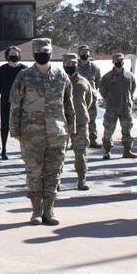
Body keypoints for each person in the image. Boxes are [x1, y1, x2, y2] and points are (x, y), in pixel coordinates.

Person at [9, 38, 73, 225]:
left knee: (54, 173)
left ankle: (49, 210)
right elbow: (16, 105)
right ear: (33, 54)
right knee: (34, 173)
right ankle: (36, 210)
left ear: (51, 52)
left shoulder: (61, 75)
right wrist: (15, 130)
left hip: (57, 133)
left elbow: (68, 105)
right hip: (31, 134)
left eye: (45, 51)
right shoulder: (24, 76)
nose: (42, 54)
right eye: (38, 52)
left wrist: (72, 129)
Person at [62, 52, 94, 190]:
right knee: (58, 154)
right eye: (68, 64)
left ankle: (82, 179)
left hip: (80, 122)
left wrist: (79, 112)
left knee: (80, 153)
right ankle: (56, 181)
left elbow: (89, 100)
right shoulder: (58, 81)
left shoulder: (83, 81)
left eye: (73, 63)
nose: (71, 66)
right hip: (61, 123)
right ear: (63, 64)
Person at [98, 52, 137, 159]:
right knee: (108, 130)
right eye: (117, 61)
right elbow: (102, 90)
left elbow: (133, 88)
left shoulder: (129, 75)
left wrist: (127, 99)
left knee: (127, 130)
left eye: (121, 61)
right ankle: (107, 151)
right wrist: (110, 99)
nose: (119, 63)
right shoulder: (107, 76)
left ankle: (127, 151)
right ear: (113, 62)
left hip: (125, 108)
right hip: (112, 108)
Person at [0, 46, 27, 160]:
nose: (14, 56)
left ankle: (23, 150)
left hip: (22, 101)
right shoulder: (2, 69)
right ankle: (3, 149)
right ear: (7, 56)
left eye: (16, 53)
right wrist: (6, 92)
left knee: (22, 125)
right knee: (5, 125)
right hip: (6, 101)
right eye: (12, 54)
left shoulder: (24, 69)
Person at [77, 45, 103, 148]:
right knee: (77, 119)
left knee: (92, 120)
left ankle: (93, 140)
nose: (85, 54)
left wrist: (92, 91)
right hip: (78, 97)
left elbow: (98, 81)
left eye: (87, 52)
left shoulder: (94, 67)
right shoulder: (74, 66)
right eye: (83, 52)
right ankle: (76, 140)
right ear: (79, 53)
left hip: (92, 97)